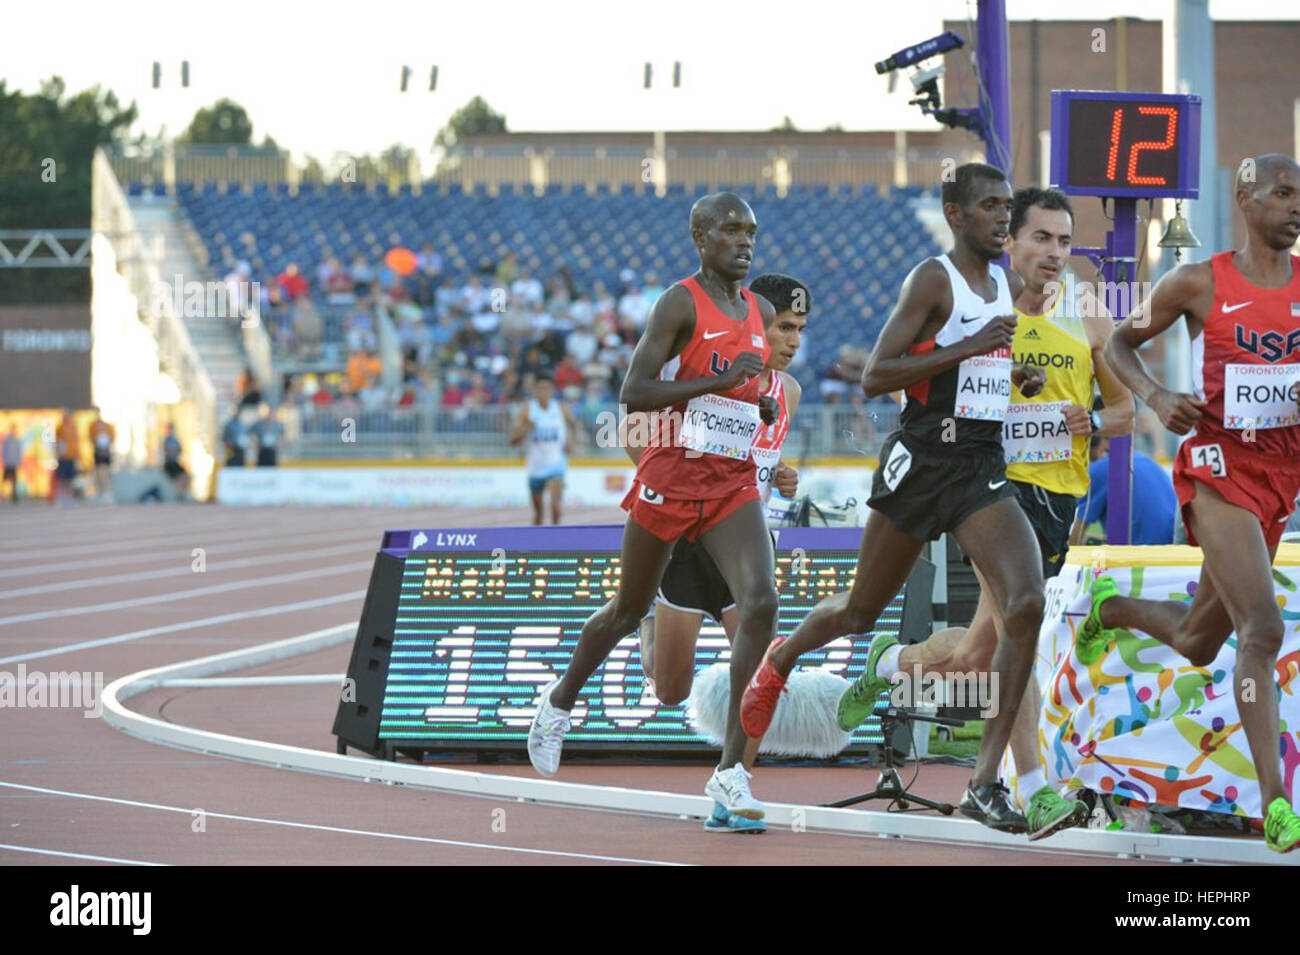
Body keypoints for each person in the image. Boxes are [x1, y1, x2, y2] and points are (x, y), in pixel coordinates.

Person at [740, 163, 1049, 833]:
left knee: (1026, 601)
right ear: (956, 214)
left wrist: (1010, 371)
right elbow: (878, 376)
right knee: (858, 609)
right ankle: (782, 659)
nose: (1002, 217)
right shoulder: (932, 279)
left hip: (979, 463)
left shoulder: (1008, 283)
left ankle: (985, 783)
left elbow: (976, 363)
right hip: (921, 461)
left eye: (1007, 207)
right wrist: (970, 346)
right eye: (990, 207)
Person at [840, 187, 1137, 839]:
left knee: (979, 652)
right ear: (1010, 242)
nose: (1055, 252)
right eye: (1041, 238)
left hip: (1059, 498)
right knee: (1016, 629)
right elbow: (914, 381)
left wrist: (1092, 417)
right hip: (989, 493)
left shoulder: (1088, 311)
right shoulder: (980, 309)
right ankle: (1024, 787)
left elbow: (1126, 410)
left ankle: (890, 662)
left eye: (1065, 241)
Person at [528, 192, 780, 821]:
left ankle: (729, 771)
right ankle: (559, 701)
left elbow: (741, 387)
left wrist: (758, 404)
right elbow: (634, 391)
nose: (744, 241)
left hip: (730, 482)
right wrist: (720, 384)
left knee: (762, 602)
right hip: (669, 477)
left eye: (750, 231)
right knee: (628, 608)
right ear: (700, 237)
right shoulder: (678, 302)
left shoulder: (759, 309)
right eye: (730, 230)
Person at [1078, 154, 1300, 853]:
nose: (1296, 206)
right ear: (1245, 197)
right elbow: (1118, 339)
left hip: (1279, 475)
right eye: (1285, 193)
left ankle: (1107, 609)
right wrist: (1156, 396)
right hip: (1216, 467)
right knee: (1261, 629)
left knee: (1201, 640)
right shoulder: (1198, 281)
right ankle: (1277, 805)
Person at [629, 271, 808, 834]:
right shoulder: (711, 368)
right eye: (784, 328)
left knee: (755, 674)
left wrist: (778, 474)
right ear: (757, 324)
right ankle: (648, 620)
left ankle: (731, 789)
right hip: (686, 538)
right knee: (669, 690)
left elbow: (763, 456)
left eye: (802, 329)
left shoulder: (792, 393)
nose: (793, 341)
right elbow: (636, 432)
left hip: (741, 538)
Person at [1074, 433, 1176, 544]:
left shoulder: (1099, 469)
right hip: (1173, 549)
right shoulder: (1145, 460)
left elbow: (1075, 537)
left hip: (1140, 555)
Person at [509, 377, 579, 525]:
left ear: (552, 390)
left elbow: (574, 425)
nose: (543, 392)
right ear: (534, 390)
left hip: (556, 463)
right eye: (540, 388)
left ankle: (556, 541)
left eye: (547, 388)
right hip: (535, 466)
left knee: (555, 507)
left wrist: (571, 442)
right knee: (539, 512)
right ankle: (536, 544)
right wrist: (525, 429)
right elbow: (513, 441)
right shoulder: (527, 410)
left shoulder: (560, 408)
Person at [88, 409, 116, 501]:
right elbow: (91, 438)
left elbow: (112, 438)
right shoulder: (93, 426)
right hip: (98, 451)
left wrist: (106, 449)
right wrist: (97, 448)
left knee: (106, 472)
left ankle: (107, 493)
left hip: (106, 451)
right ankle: (98, 492)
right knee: (98, 472)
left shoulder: (108, 426)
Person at [54, 409, 81, 501]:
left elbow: (76, 442)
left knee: (70, 478)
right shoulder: (60, 427)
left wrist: (78, 455)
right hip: (63, 457)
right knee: (62, 478)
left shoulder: (73, 427)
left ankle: (69, 496)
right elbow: (57, 442)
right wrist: (58, 453)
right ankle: (62, 495)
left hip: (71, 456)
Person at [162, 423, 191, 498]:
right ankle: (179, 493)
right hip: (169, 464)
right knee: (178, 478)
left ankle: (181, 492)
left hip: (175, 463)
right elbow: (168, 451)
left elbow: (179, 450)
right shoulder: (166, 439)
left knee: (186, 476)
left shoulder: (175, 439)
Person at [251, 403, 283, 467]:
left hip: (272, 452)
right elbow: (253, 437)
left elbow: (280, 438)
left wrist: (279, 450)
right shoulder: (258, 424)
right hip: (262, 451)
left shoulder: (276, 424)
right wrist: (255, 448)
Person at [2, 426, 21, 503]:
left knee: (14, 480)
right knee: (5, 479)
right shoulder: (7, 440)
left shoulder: (17, 440)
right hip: (8, 462)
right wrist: (4, 461)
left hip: (14, 463)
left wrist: (18, 462)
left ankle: (14, 495)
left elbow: (18, 452)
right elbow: (4, 451)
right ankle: (3, 493)